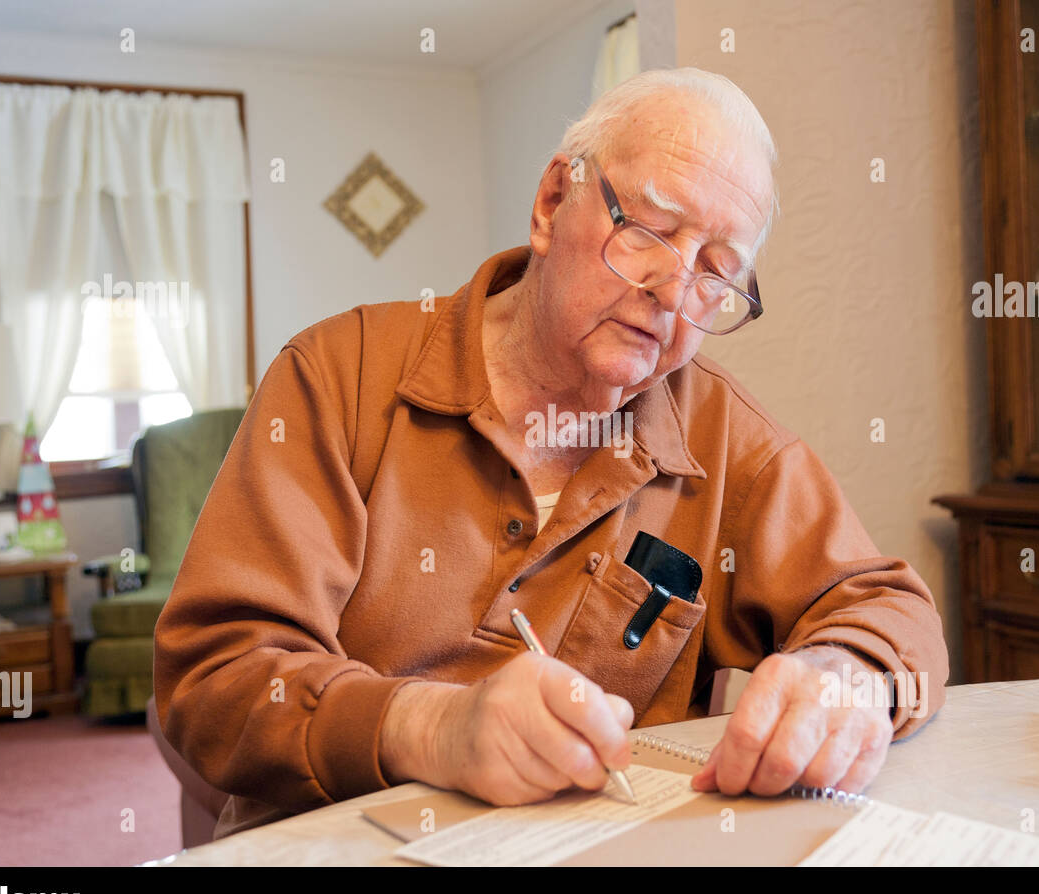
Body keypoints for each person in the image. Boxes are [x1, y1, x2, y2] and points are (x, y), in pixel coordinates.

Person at [154, 67, 948, 839]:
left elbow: (891, 611)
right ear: (551, 204)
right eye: (648, 232)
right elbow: (214, 679)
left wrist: (850, 677)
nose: (673, 296)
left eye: (715, 275)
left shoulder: (727, 440)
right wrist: (430, 727)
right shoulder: (339, 375)